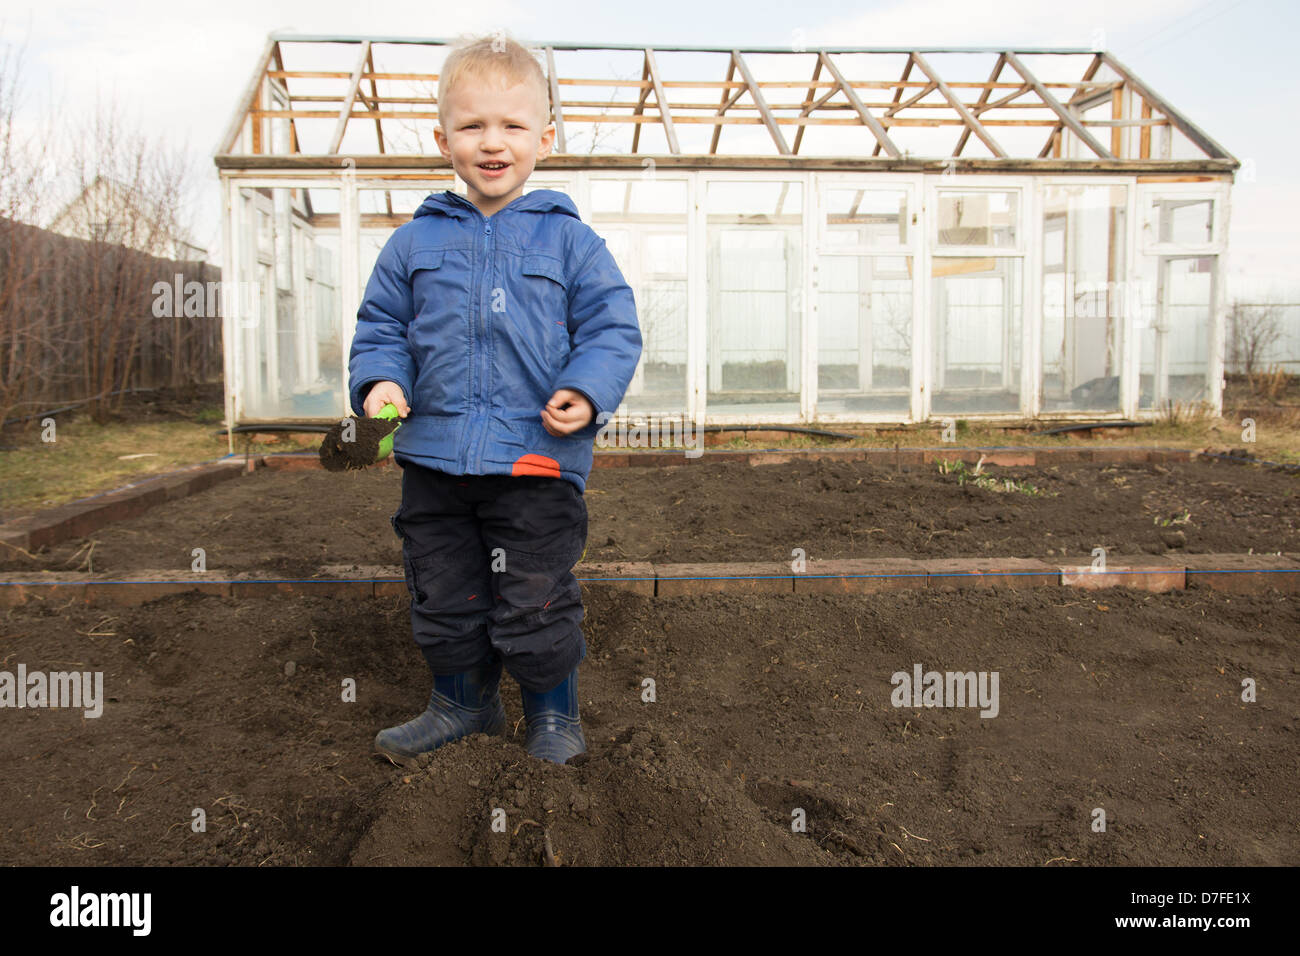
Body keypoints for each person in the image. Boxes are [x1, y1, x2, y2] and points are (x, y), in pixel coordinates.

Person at [348, 32, 642, 765]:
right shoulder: (412, 244)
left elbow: (613, 326)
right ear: (442, 136)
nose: (492, 142)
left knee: (534, 597)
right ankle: (461, 707)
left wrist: (584, 388)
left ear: (544, 137)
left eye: (512, 126)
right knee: (443, 593)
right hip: (435, 464)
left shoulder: (571, 242)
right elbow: (381, 328)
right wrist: (382, 384)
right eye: (473, 124)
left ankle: (552, 718)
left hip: (536, 466)